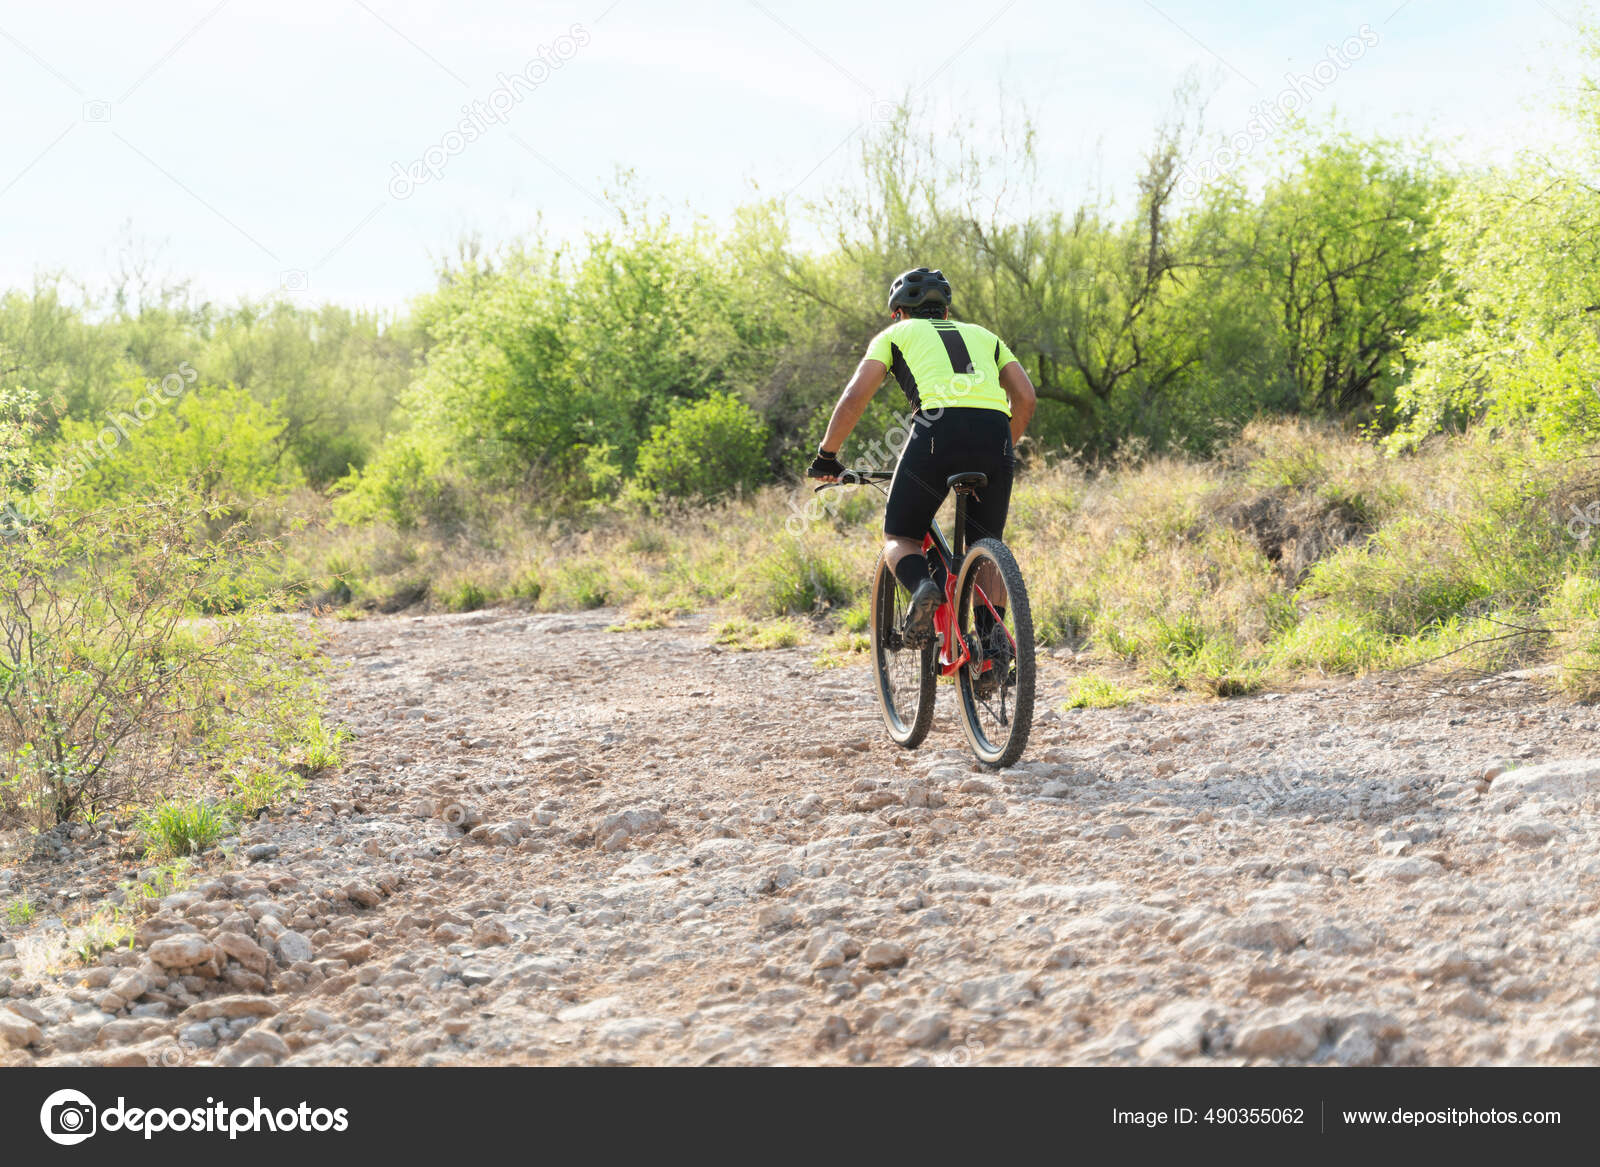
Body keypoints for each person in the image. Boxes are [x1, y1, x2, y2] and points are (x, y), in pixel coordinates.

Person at [806, 267, 1036, 645]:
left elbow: (854, 397)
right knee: (987, 540)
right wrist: (1001, 450)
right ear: (945, 312)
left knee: (900, 534)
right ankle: (993, 647)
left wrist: (827, 456)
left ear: (899, 313)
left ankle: (922, 588)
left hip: (936, 433)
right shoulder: (985, 336)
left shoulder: (894, 334)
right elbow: (1025, 399)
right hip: (995, 434)